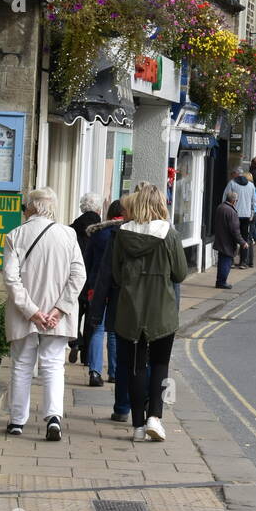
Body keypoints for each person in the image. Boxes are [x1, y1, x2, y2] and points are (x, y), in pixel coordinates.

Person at [2, 188, 86, 441]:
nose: (23, 210)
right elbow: (78, 276)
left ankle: (17, 421)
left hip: (23, 313)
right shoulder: (68, 235)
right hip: (56, 316)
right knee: (52, 365)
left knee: (21, 365)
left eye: (24, 206)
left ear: (32, 208)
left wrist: (33, 312)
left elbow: (10, 279)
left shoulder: (15, 235)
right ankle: (53, 419)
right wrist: (58, 310)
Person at [111, 182, 187, 443]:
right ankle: (155, 416)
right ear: (160, 204)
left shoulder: (122, 233)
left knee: (135, 367)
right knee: (159, 365)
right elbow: (180, 273)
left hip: (130, 311)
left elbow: (117, 274)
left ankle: (138, 426)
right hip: (162, 311)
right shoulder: (170, 235)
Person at [85, 198, 126, 400]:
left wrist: (90, 287)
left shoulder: (98, 233)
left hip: (97, 287)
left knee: (97, 328)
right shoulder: (127, 232)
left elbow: (88, 261)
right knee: (114, 331)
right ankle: (114, 372)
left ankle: (94, 371)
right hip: (118, 288)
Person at [68, 192, 101, 366]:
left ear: (82, 207)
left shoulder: (71, 229)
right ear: (98, 208)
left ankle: (75, 342)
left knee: (73, 315)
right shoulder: (103, 230)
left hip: (74, 279)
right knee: (91, 321)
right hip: (94, 282)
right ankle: (87, 357)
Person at [213, 187, 247, 289]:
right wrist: (243, 242)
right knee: (226, 262)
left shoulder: (220, 207)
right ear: (233, 201)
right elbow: (235, 230)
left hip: (220, 239)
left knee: (222, 261)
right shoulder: (231, 212)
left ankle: (220, 281)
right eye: (236, 201)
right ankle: (222, 282)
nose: (236, 202)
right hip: (227, 242)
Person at [230, 163, 256, 268]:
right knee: (244, 238)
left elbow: (225, 198)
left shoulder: (232, 184)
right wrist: (252, 213)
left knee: (231, 237)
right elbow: (254, 202)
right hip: (246, 216)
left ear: (236, 174)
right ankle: (243, 262)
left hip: (234, 215)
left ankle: (231, 260)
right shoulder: (251, 185)